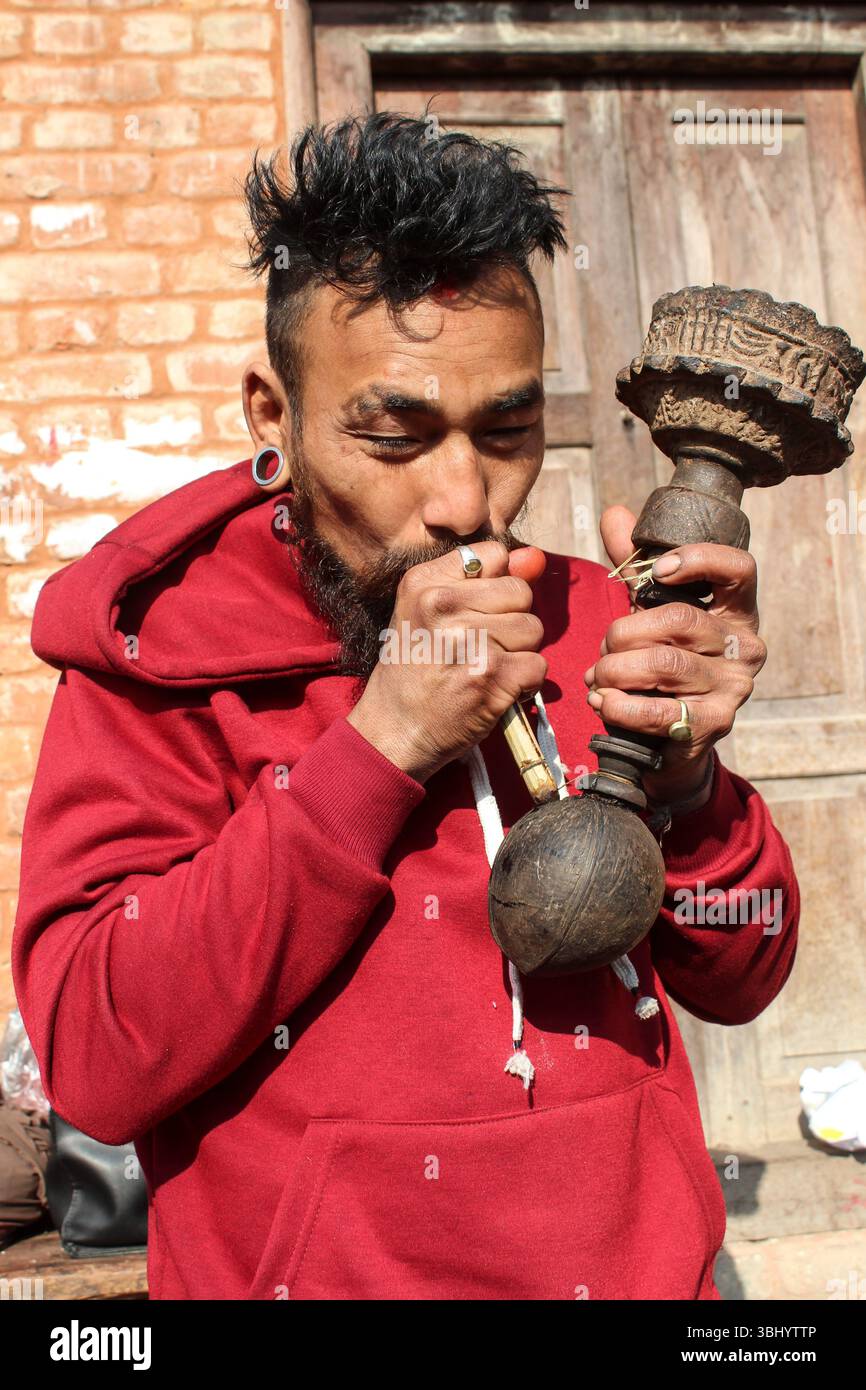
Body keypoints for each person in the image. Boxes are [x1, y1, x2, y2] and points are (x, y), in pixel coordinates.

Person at [13, 113, 798, 1300]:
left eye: (508, 429)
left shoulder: (593, 620)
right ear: (271, 416)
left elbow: (744, 969)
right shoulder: (165, 660)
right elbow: (94, 1059)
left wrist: (689, 791)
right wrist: (379, 747)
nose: (462, 500)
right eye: (392, 432)